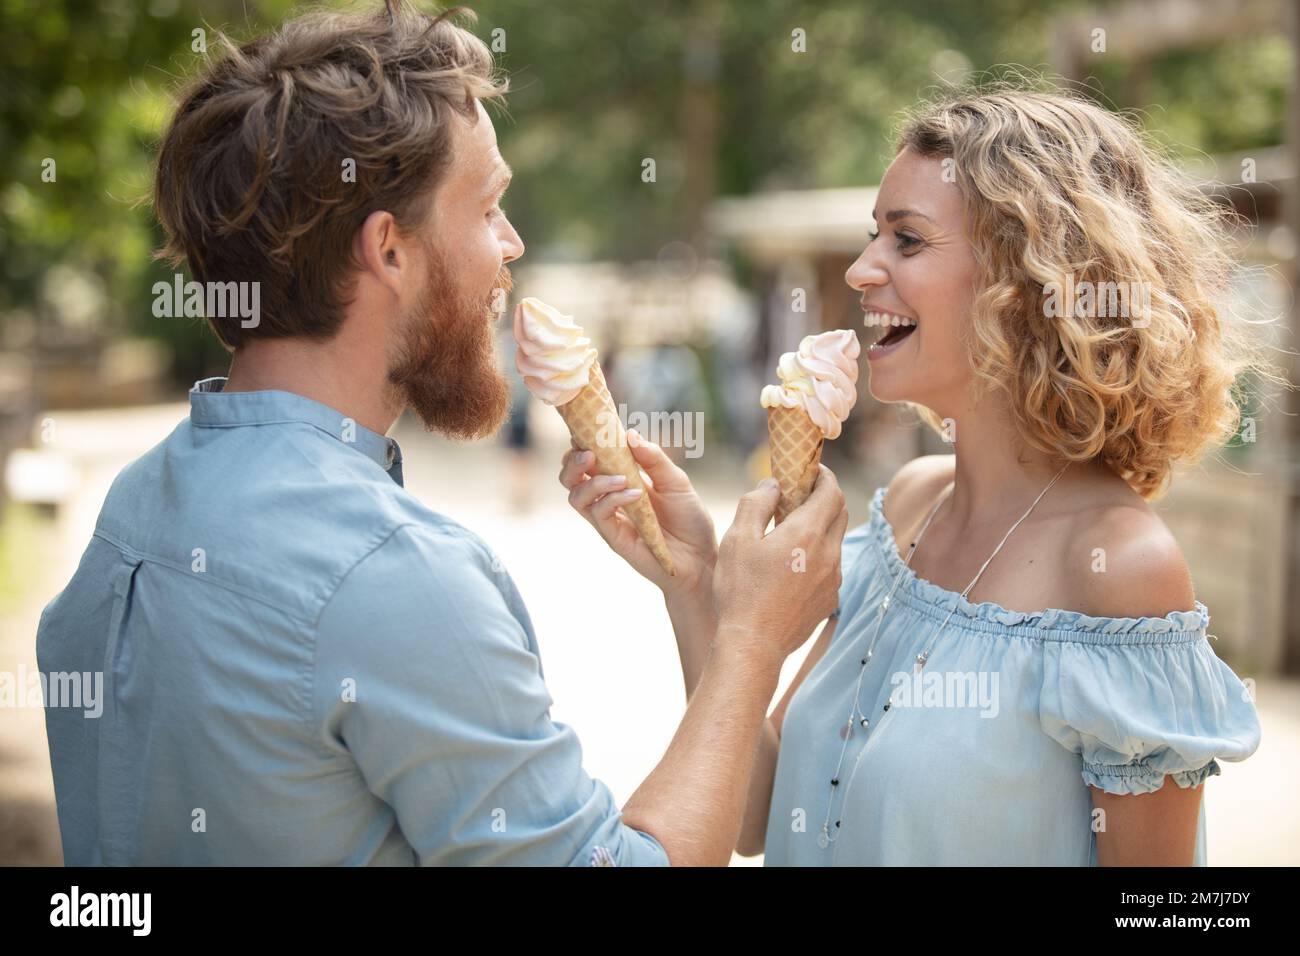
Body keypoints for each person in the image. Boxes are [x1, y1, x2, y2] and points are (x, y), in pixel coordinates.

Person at [34, 1, 848, 866]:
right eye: (489, 207)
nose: (512, 244)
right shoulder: (389, 571)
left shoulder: (134, 505)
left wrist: (693, 591)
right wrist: (749, 640)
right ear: (389, 249)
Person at [563, 85, 1275, 865]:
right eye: (874, 236)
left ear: (1028, 279)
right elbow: (756, 814)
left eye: (906, 240)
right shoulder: (907, 505)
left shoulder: (1121, 568)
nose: (862, 269)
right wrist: (696, 583)